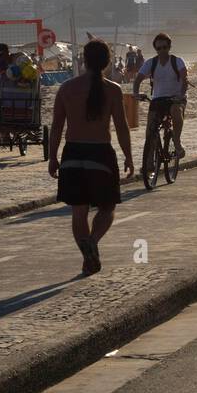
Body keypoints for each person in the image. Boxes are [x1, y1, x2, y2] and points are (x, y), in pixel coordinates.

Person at [48, 39, 134, 276]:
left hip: (73, 153)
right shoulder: (113, 90)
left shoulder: (66, 88)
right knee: (107, 207)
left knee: (79, 211)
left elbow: (56, 127)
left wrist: (52, 157)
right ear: (107, 63)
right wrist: (128, 156)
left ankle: (88, 256)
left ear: (83, 60)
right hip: (100, 154)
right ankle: (93, 242)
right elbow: (122, 127)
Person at [132, 32, 188, 160]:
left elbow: (185, 80)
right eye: (158, 48)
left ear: (169, 47)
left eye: (164, 47)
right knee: (150, 130)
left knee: (175, 110)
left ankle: (177, 142)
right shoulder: (151, 63)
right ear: (155, 49)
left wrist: (181, 95)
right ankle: (149, 163)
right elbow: (138, 80)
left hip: (176, 97)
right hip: (158, 99)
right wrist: (136, 93)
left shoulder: (177, 61)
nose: (162, 50)